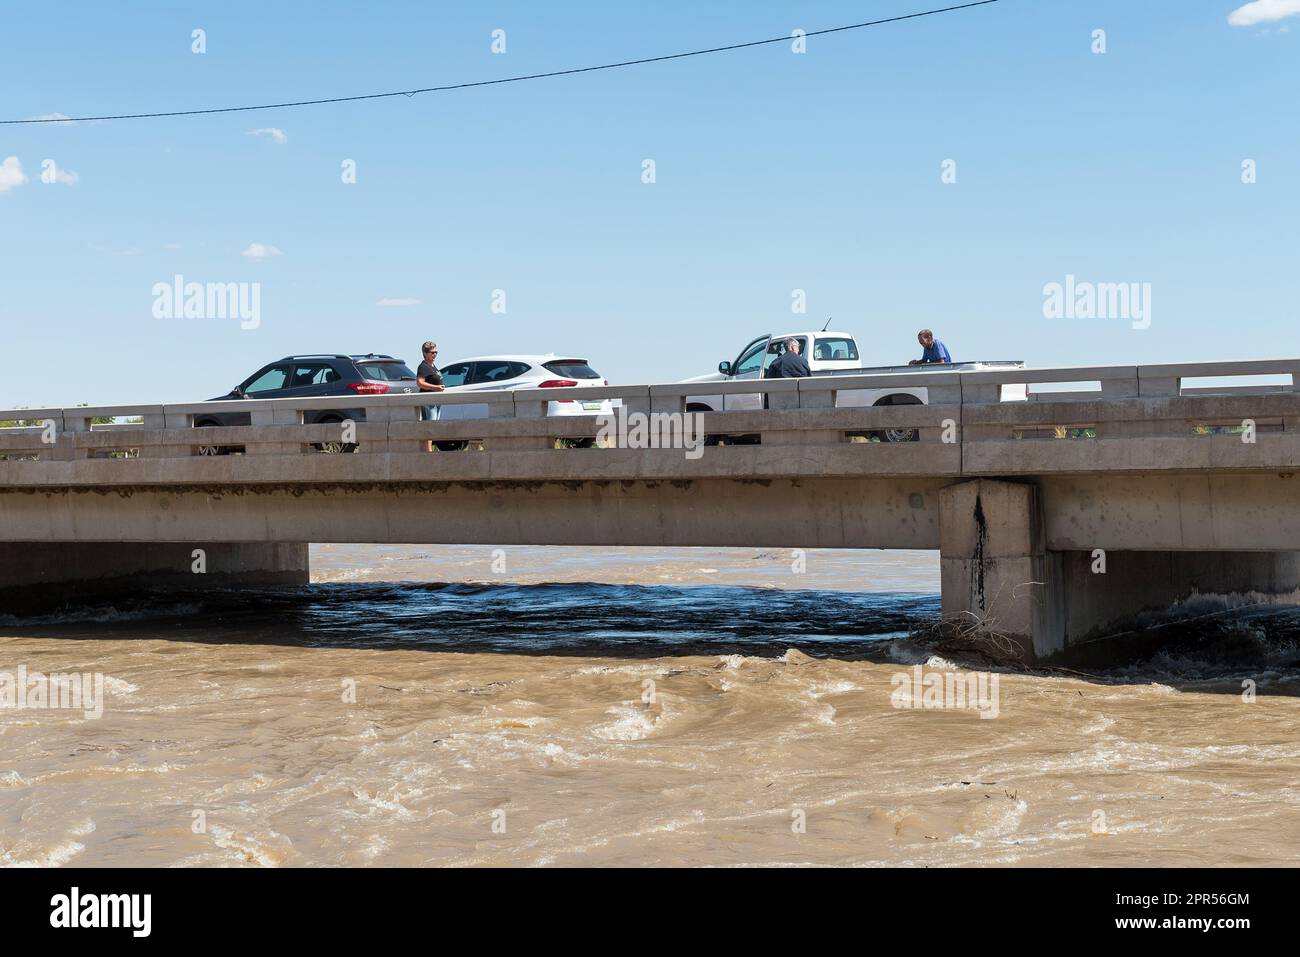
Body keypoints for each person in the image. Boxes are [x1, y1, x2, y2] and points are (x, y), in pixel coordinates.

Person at [416, 340, 445, 452]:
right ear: (425, 353)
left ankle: (427, 451)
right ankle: (428, 453)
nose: (435, 355)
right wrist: (435, 388)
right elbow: (420, 382)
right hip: (429, 400)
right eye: (432, 352)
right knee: (430, 428)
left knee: (434, 428)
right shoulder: (423, 367)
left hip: (436, 400)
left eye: (436, 352)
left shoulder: (433, 366)